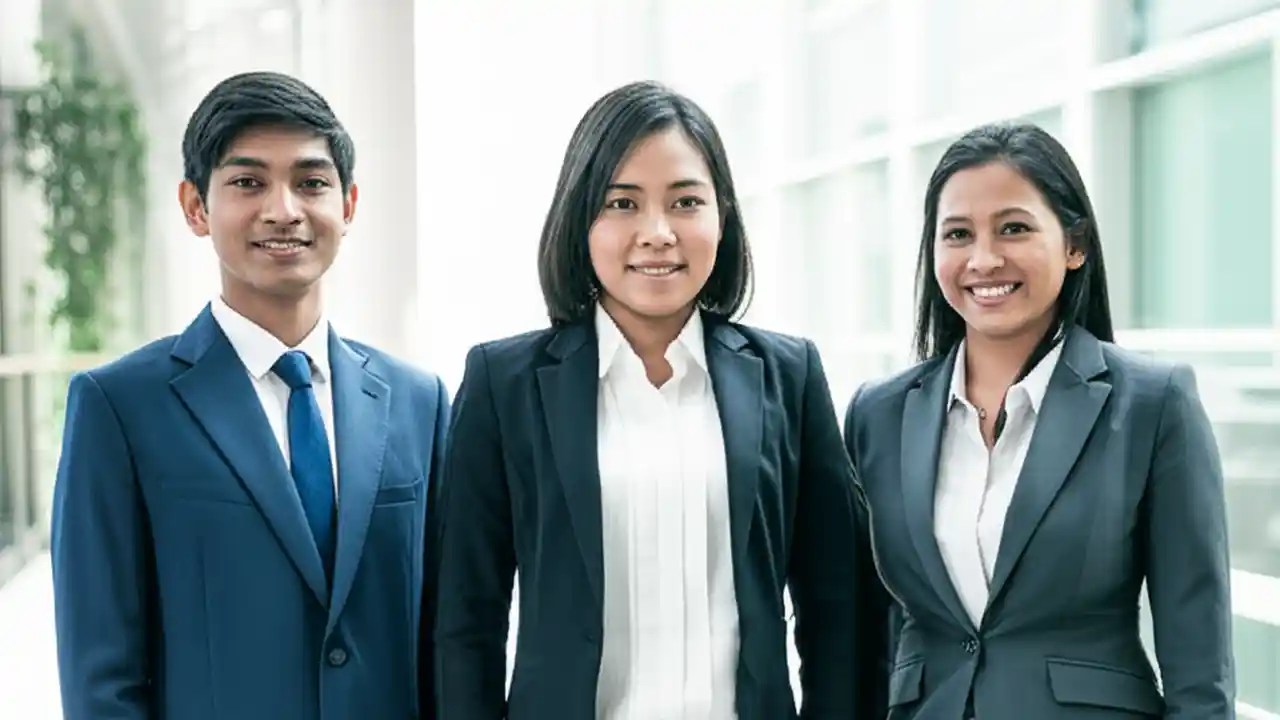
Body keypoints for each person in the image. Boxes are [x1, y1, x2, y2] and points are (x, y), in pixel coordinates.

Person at [433, 80, 887, 719]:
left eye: (685, 202)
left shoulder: (790, 375)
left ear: (720, 217)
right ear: (580, 218)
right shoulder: (502, 383)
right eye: (622, 202)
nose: (657, 232)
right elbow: (465, 620)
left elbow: (838, 609)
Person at [50, 71, 448, 719]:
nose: (283, 210)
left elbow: (445, 638)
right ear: (195, 207)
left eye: (311, 183)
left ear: (348, 205)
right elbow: (101, 675)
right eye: (248, 182)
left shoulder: (418, 401)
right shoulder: (119, 406)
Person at [844, 122, 1235, 719]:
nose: (983, 258)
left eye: (1014, 228)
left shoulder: (1154, 404)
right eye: (957, 234)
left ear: (1074, 245)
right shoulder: (879, 413)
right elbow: (875, 631)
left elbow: (1198, 659)